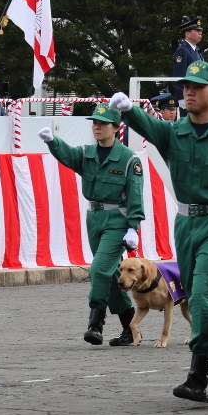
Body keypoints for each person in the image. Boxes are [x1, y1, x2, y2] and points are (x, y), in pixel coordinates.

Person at [108, 60, 208, 403]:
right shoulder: (174, 132)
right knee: (195, 295)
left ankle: (197, 375)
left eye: (197, 88)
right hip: (186, 224)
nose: (188, 93)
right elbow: (149, 125)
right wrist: (130, 109)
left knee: (205, 301)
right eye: (185, 88)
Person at [38, 104, 145, 346]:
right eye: (94, 123)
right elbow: (69, 155)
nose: (97, 127)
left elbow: (136, 194)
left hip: (117, 220)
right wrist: (52, 141)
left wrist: (133, 227)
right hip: (94, 219)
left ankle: (95, 324)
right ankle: (131, 329)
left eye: (103, 123)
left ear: (116, 128)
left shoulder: (129, 159)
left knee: (98, 270)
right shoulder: (88, 153)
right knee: (109, 276)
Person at [171, 17, 204, 109]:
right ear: (187, 33)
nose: (200, 33)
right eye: (197, 30)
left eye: (200, 31)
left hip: (198, 95)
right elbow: (178, 76)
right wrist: (182, 98)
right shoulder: (182, 51)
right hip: (188, 97)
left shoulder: (197, 51)